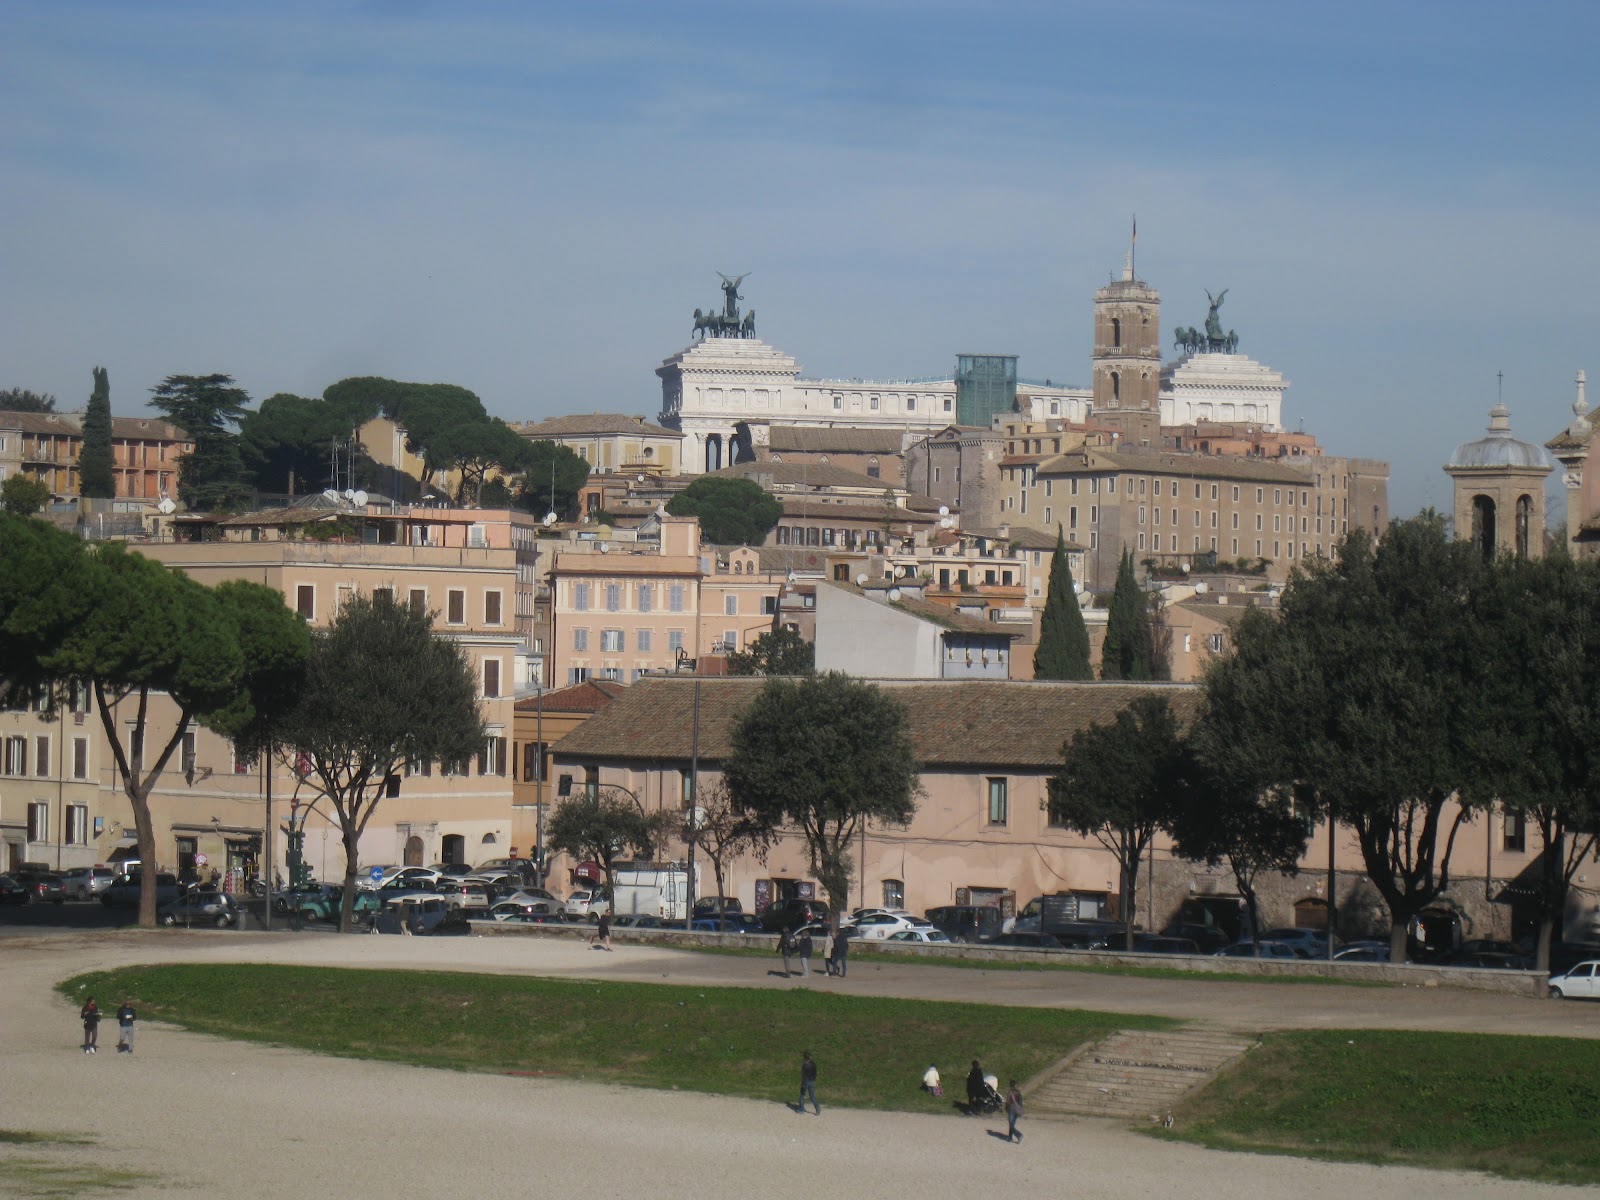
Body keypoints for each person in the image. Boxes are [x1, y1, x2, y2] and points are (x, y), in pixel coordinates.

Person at [797, 1050, 820, 1116]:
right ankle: (817, 1108)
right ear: (810, 1057)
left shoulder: (804, 1065)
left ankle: (801, 1110)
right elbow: (815, 1073)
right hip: (812, 1081)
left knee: (802, 1096)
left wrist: (803, 1084)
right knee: (812, 1096)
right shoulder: (813, 1063)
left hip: (806, 1081)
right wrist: (814, 1079)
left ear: (804, 1057)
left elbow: (803, 1075)